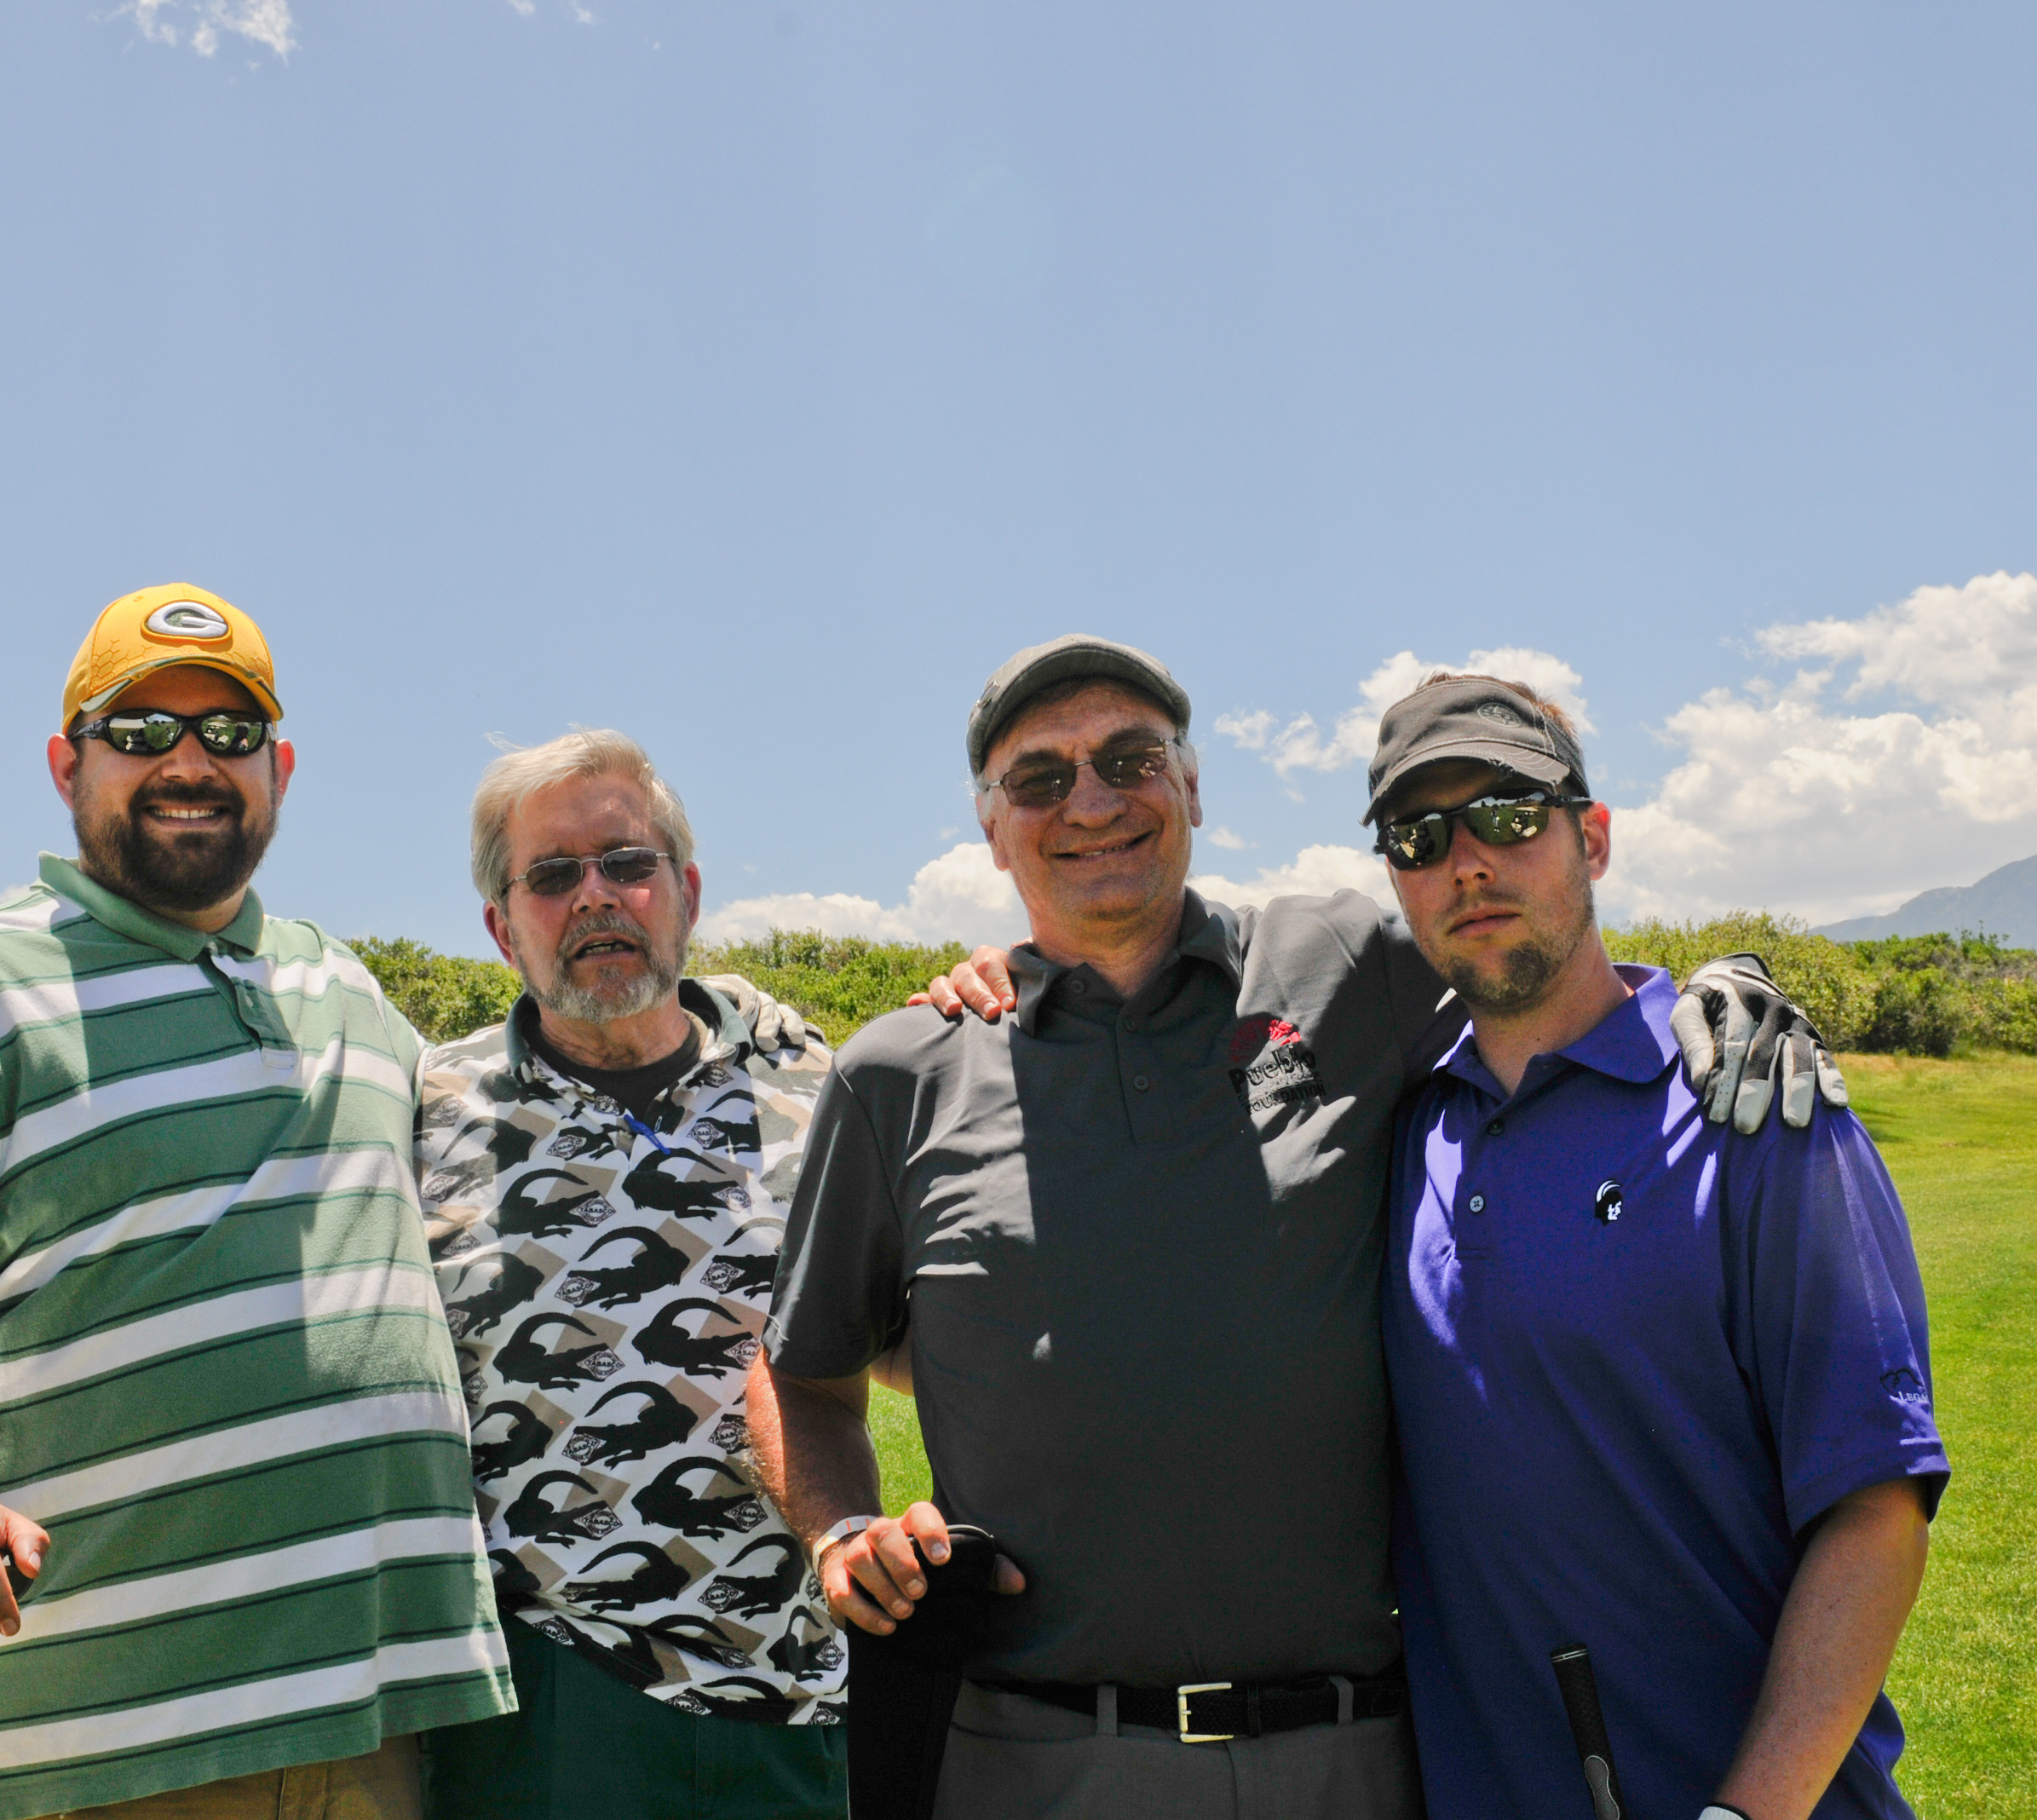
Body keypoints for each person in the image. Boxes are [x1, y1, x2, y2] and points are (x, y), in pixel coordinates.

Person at [745, 635, 1831, 1820]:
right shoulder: (901, 1070)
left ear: (1193, 785)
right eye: (1040, 779)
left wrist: (1707, 990)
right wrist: (843, 1527)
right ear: (992, 825)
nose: (1092, 801)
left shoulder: (1344, 964)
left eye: (1129, 757)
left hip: (1353, 1754)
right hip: (1034, 1758)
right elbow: (805, 1374)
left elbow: (1538, 973)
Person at [0, 585, 515, 1820]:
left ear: (278, 770)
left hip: (373, 1720)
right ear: (68, 765)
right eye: (138, 731)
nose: (187, 762)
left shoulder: (347, 991)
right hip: (81, 1742)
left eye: (227, 734)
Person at [1364, 672, 1948, 1820]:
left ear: (1595, 838)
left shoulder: (1758, 1115)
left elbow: (1875, 1508)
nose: (1468, 861)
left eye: (1511, 814)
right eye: (1419, 834)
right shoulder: (1394, 1132)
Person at [411, 729, 852, 1819]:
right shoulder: (422, 1109)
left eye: (627, 863)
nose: (595, 895)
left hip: (808, 1673)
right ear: (501, 926)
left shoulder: (820, 1081)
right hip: (555, 1697)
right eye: (552, 876)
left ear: (686, 891)